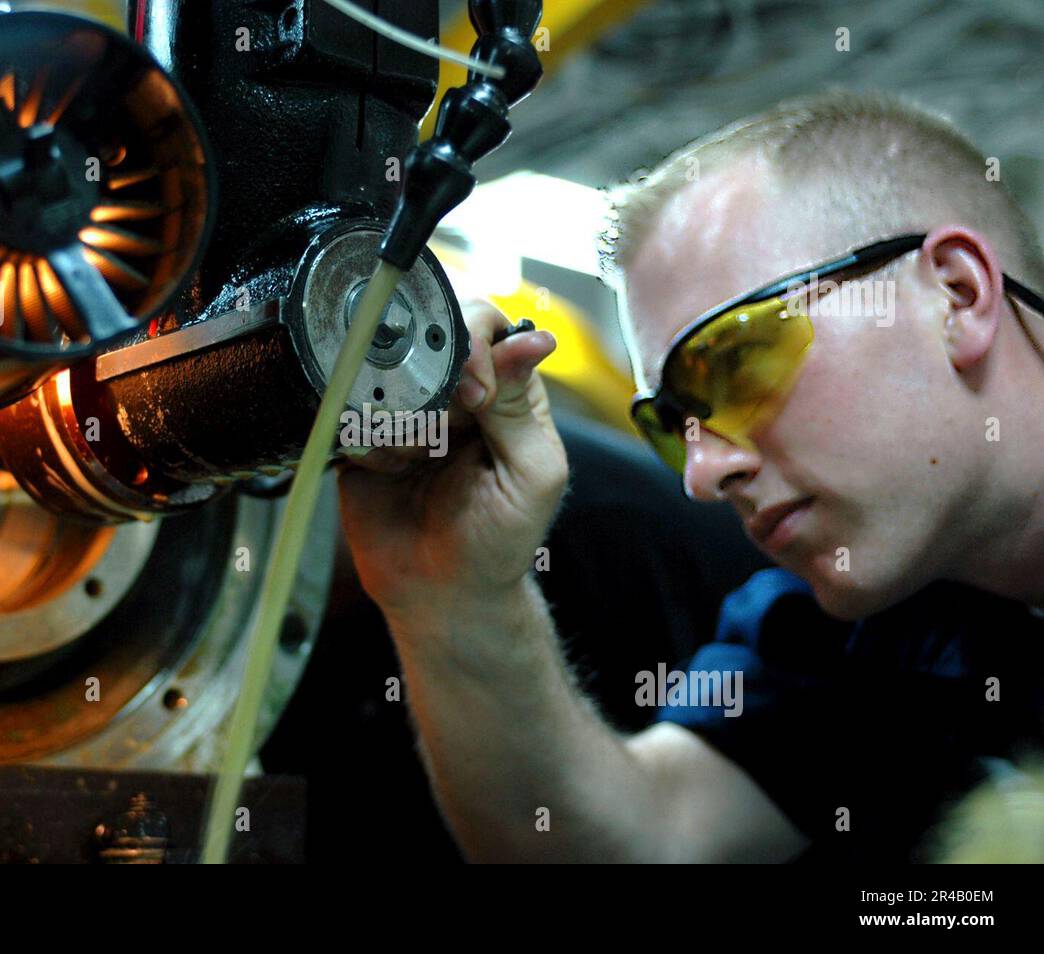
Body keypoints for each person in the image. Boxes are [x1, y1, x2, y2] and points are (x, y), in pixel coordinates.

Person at [336, 90, 1044, 862]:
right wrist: (455, 595)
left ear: (957, 294)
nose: (702, 474)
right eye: (668, 425)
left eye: (737, 363)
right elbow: (635, 843)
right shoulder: (860, 630)